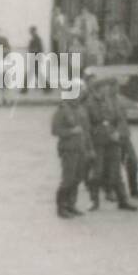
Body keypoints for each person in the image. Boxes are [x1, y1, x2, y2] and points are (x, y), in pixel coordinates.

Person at [84, 82, 138, 212]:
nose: (105, 92)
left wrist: (118, 132)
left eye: (106, 89)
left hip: (113, 142)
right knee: (97, 173)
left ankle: (123, 200)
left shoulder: (111, 102)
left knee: (116, 173)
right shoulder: (88, 104)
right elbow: (87, 125)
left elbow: (120, 119)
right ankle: (94, 201)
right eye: (103, 89)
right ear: (96, 89)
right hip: (98, 142)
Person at [51, 89, 89, 218]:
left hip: (80, 148)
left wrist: (89, 147)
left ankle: (71, 204)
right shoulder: (62, 110)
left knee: (77, 177)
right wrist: (71, 131)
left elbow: (86, 130)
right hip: (68, 149)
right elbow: (55, 130)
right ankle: (61, 207)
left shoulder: (80, 109)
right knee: (68, 179)